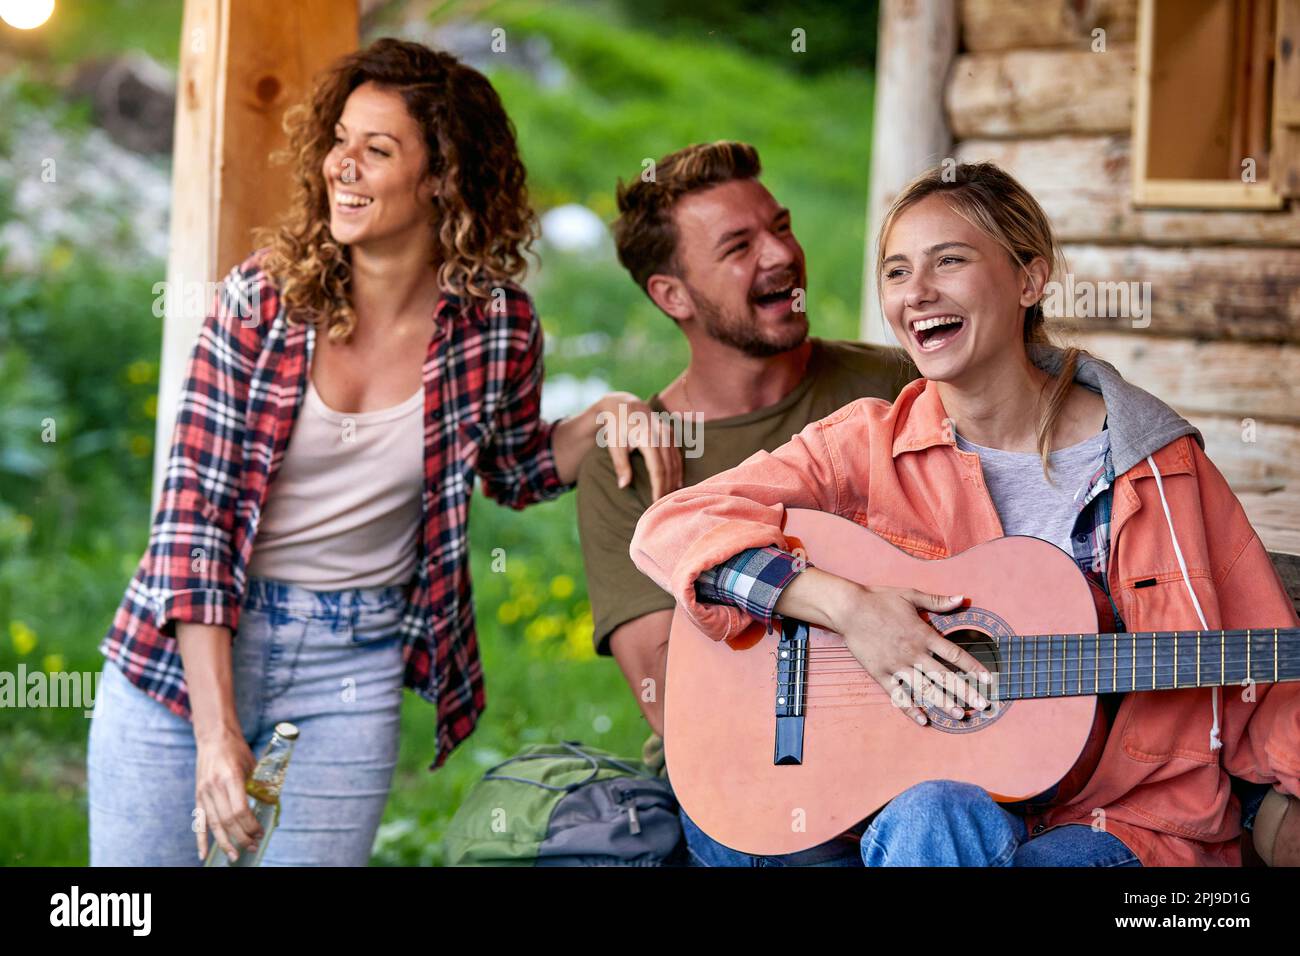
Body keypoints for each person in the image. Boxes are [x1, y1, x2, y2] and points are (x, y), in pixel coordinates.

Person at [87, 38, 680, 867]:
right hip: (185, 660)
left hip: (351, 665)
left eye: (378, 149)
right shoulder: (262, 301)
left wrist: (607, 418)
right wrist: (216, 734)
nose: (343, 166)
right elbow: (195, 527)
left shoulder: (496, 325)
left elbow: (512, 467)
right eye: (339, 141)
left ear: (441, 176)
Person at [629, 161, 1300, 867]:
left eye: (948, 261)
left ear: (1028, 279)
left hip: (1124, 827)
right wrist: (850, 609)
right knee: (934, 813)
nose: (916, 293)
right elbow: (670, 527)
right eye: (895, 272)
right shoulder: (863, 444)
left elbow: (1272, 668)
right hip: (926, 819)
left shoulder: (1159, 467)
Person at [576, 141, 915, 779]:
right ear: (672, 295)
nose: (783, 254)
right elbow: (673, 697)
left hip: (924, 745)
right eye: (738, 247)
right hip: (748, 777)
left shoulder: (903, 385)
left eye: (781, 227)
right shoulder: (631, 462)